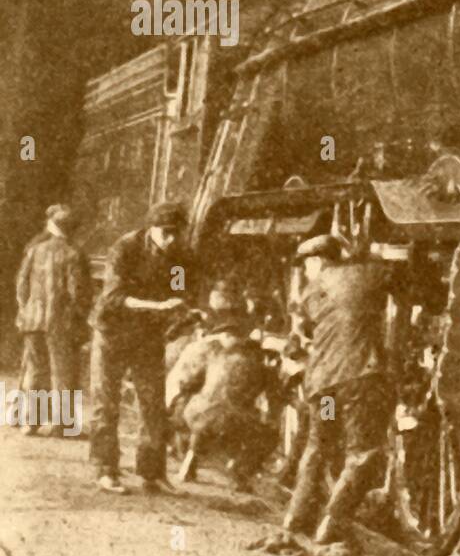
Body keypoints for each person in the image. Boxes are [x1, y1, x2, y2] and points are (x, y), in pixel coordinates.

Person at [254, 234, 393, 556]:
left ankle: (294, 519)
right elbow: (404, 276)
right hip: (359, 382)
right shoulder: (369, 274)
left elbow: (299, 341)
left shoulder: (309, 292)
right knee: (362, 453)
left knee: (319, 445)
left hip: (325, 390)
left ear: (316, 262)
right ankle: (331, 524)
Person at [87, 200, 190, 494]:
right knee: (106, 403)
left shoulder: (178, 256)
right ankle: (106, 470)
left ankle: (152, 473)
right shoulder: (126, 248)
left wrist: (182, 309)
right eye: (166, 232)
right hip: (112, 333)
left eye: (177, 233)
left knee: (153, 404)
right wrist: (158, 306)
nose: (172, 239)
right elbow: (114, 299)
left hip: (148, 336)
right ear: (152, 228)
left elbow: (179, 288)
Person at [166, 283, 275, 492]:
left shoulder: (204, 347)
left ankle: (190, 456)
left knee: (195, 403)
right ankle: (239, 470)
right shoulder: (256, 356)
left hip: (198, 417)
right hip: (237, 421)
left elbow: (183, 382)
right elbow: (270, 394)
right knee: (265, 430)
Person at [14, 204, 92, 434]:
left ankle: (31, 422)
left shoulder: (35, 249)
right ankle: (63, 425)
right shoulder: (73, 254)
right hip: (61, 323)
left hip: (32, 320)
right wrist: (81, 316)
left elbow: (21, 285)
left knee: (37, 371)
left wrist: (25, 309)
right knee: (63, 372)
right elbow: (78, 293)